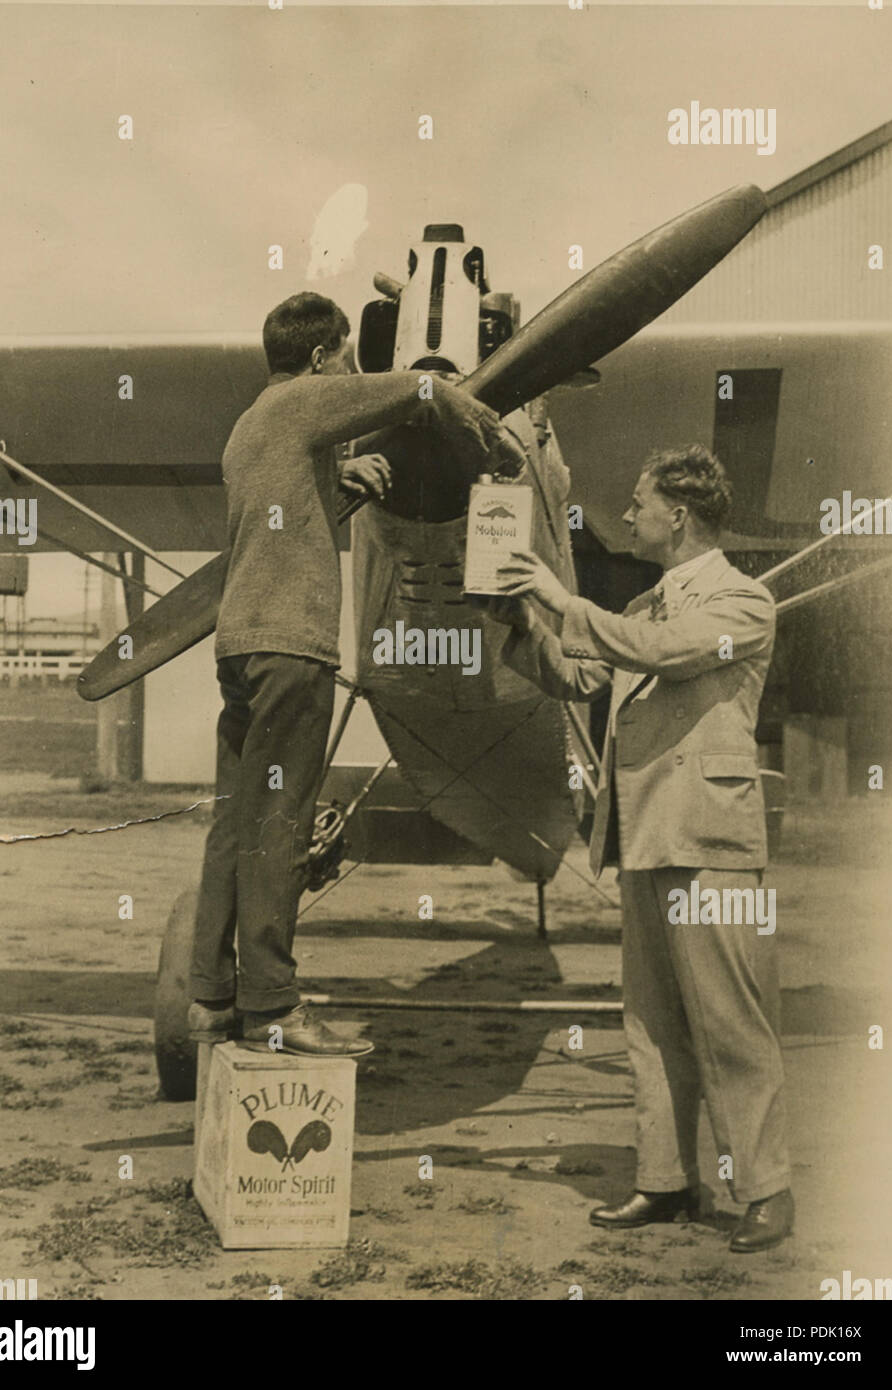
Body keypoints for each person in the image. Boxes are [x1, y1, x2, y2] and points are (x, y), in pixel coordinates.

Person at [188, 291, 517, 1057]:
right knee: (280, 821)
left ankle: (209, 996)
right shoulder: (304, 400)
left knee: (233, 822)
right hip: (291, 645)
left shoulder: (251, 428)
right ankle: (273, 1008)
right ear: (318, 358)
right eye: (346, 359)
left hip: (238, 647)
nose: (350, 373)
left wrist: (346, 479)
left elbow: (286, 513)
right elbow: (417, 387)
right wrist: (478, 423)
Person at [492, 445, 793, 1253]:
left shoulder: (739, 601)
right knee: (651, 1023)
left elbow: (658, 654)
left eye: (637, 502)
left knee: (729, 1022)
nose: (626, 516)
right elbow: (582, 677)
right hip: (647, 834)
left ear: (679, 516)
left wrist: (558, 595)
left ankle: (765, 1188)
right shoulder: (648, 604)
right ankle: (664, 1180)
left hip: (709, 839)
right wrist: (517, 617)